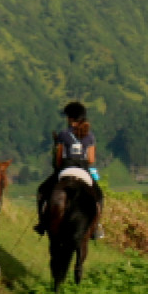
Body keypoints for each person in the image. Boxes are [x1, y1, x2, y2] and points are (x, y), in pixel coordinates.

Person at [34, 101, 104, 238]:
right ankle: (96, 226)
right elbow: (91, 159)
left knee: (42, 191)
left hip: (66, 169)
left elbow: (59, 158)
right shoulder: (90, 136)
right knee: (99, 196)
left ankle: (42, 223)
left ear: (70, 118)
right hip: (83, 171)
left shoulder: (63, 134)